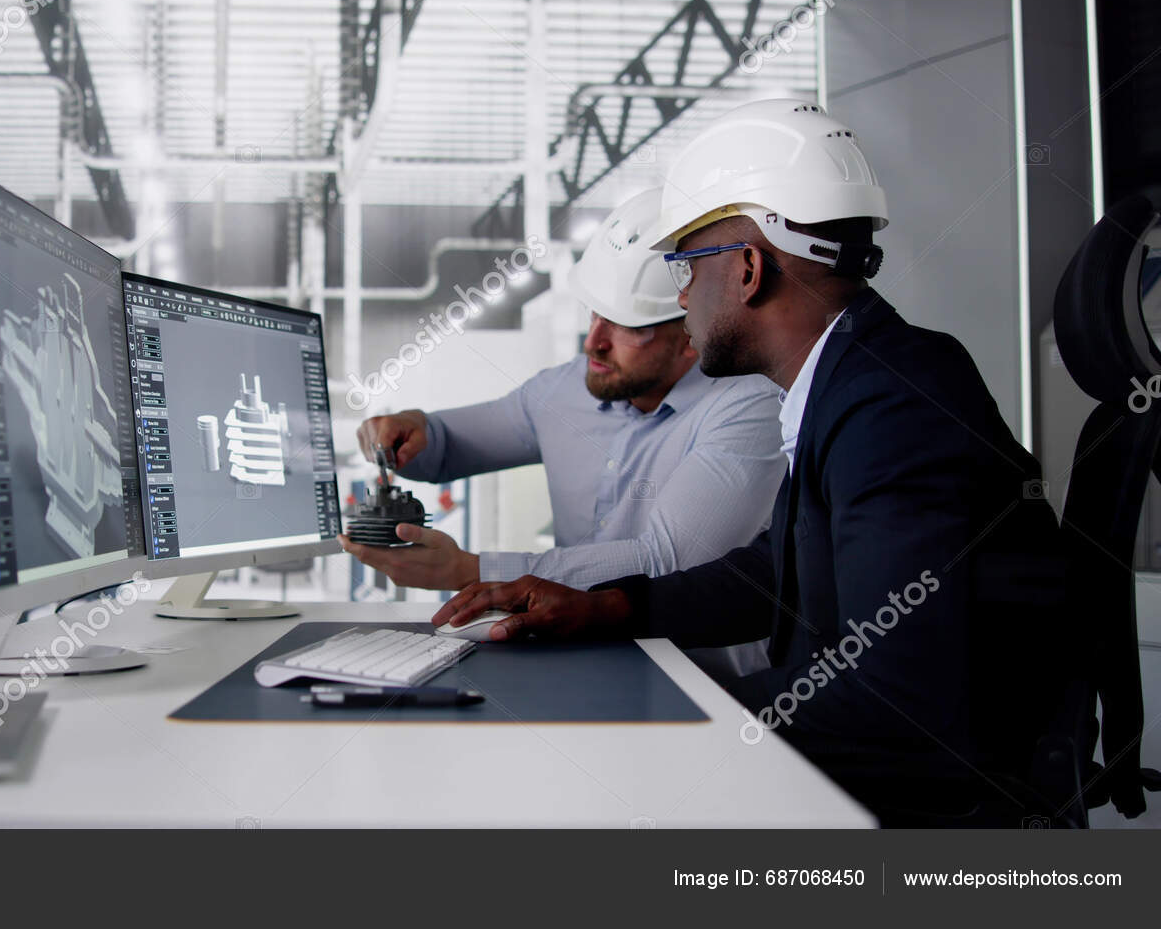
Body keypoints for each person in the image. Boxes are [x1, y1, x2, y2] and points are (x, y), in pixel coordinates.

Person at [431, 100, 1067, 824]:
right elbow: (779, 576)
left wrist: (669, 722)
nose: (680, 297)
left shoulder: (895, 406)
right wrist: (605, 607)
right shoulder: (852, 383)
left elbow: (894, 689)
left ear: (746, 268)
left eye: (683, 266)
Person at [340, 188, 785, 616]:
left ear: (693, 332)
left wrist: (473, 571)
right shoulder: (567, 389)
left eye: (627, 327)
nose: (594, 343)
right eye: (594, 313)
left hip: (701, 679)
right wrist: (412, 427)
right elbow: (445, 444)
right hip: (583, 653)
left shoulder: (749, 406)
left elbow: (667, 562)